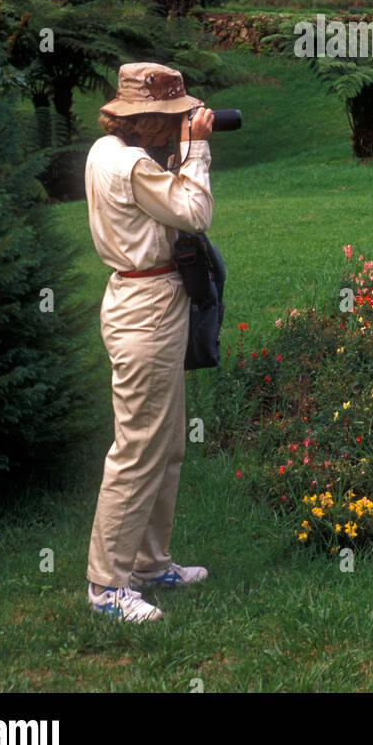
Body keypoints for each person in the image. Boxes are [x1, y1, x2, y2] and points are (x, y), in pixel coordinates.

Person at [84, 62, 214, 623]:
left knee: (167, 443)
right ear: (143, 117)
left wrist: (177, 150)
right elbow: (195, 211)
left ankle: (150, 563)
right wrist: (196, 152)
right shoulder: (133, 164)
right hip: (148, 308)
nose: (176, 124)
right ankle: (106, 587)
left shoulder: (104, 151)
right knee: (139, 448)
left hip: (144, 300)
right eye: (168, 116)